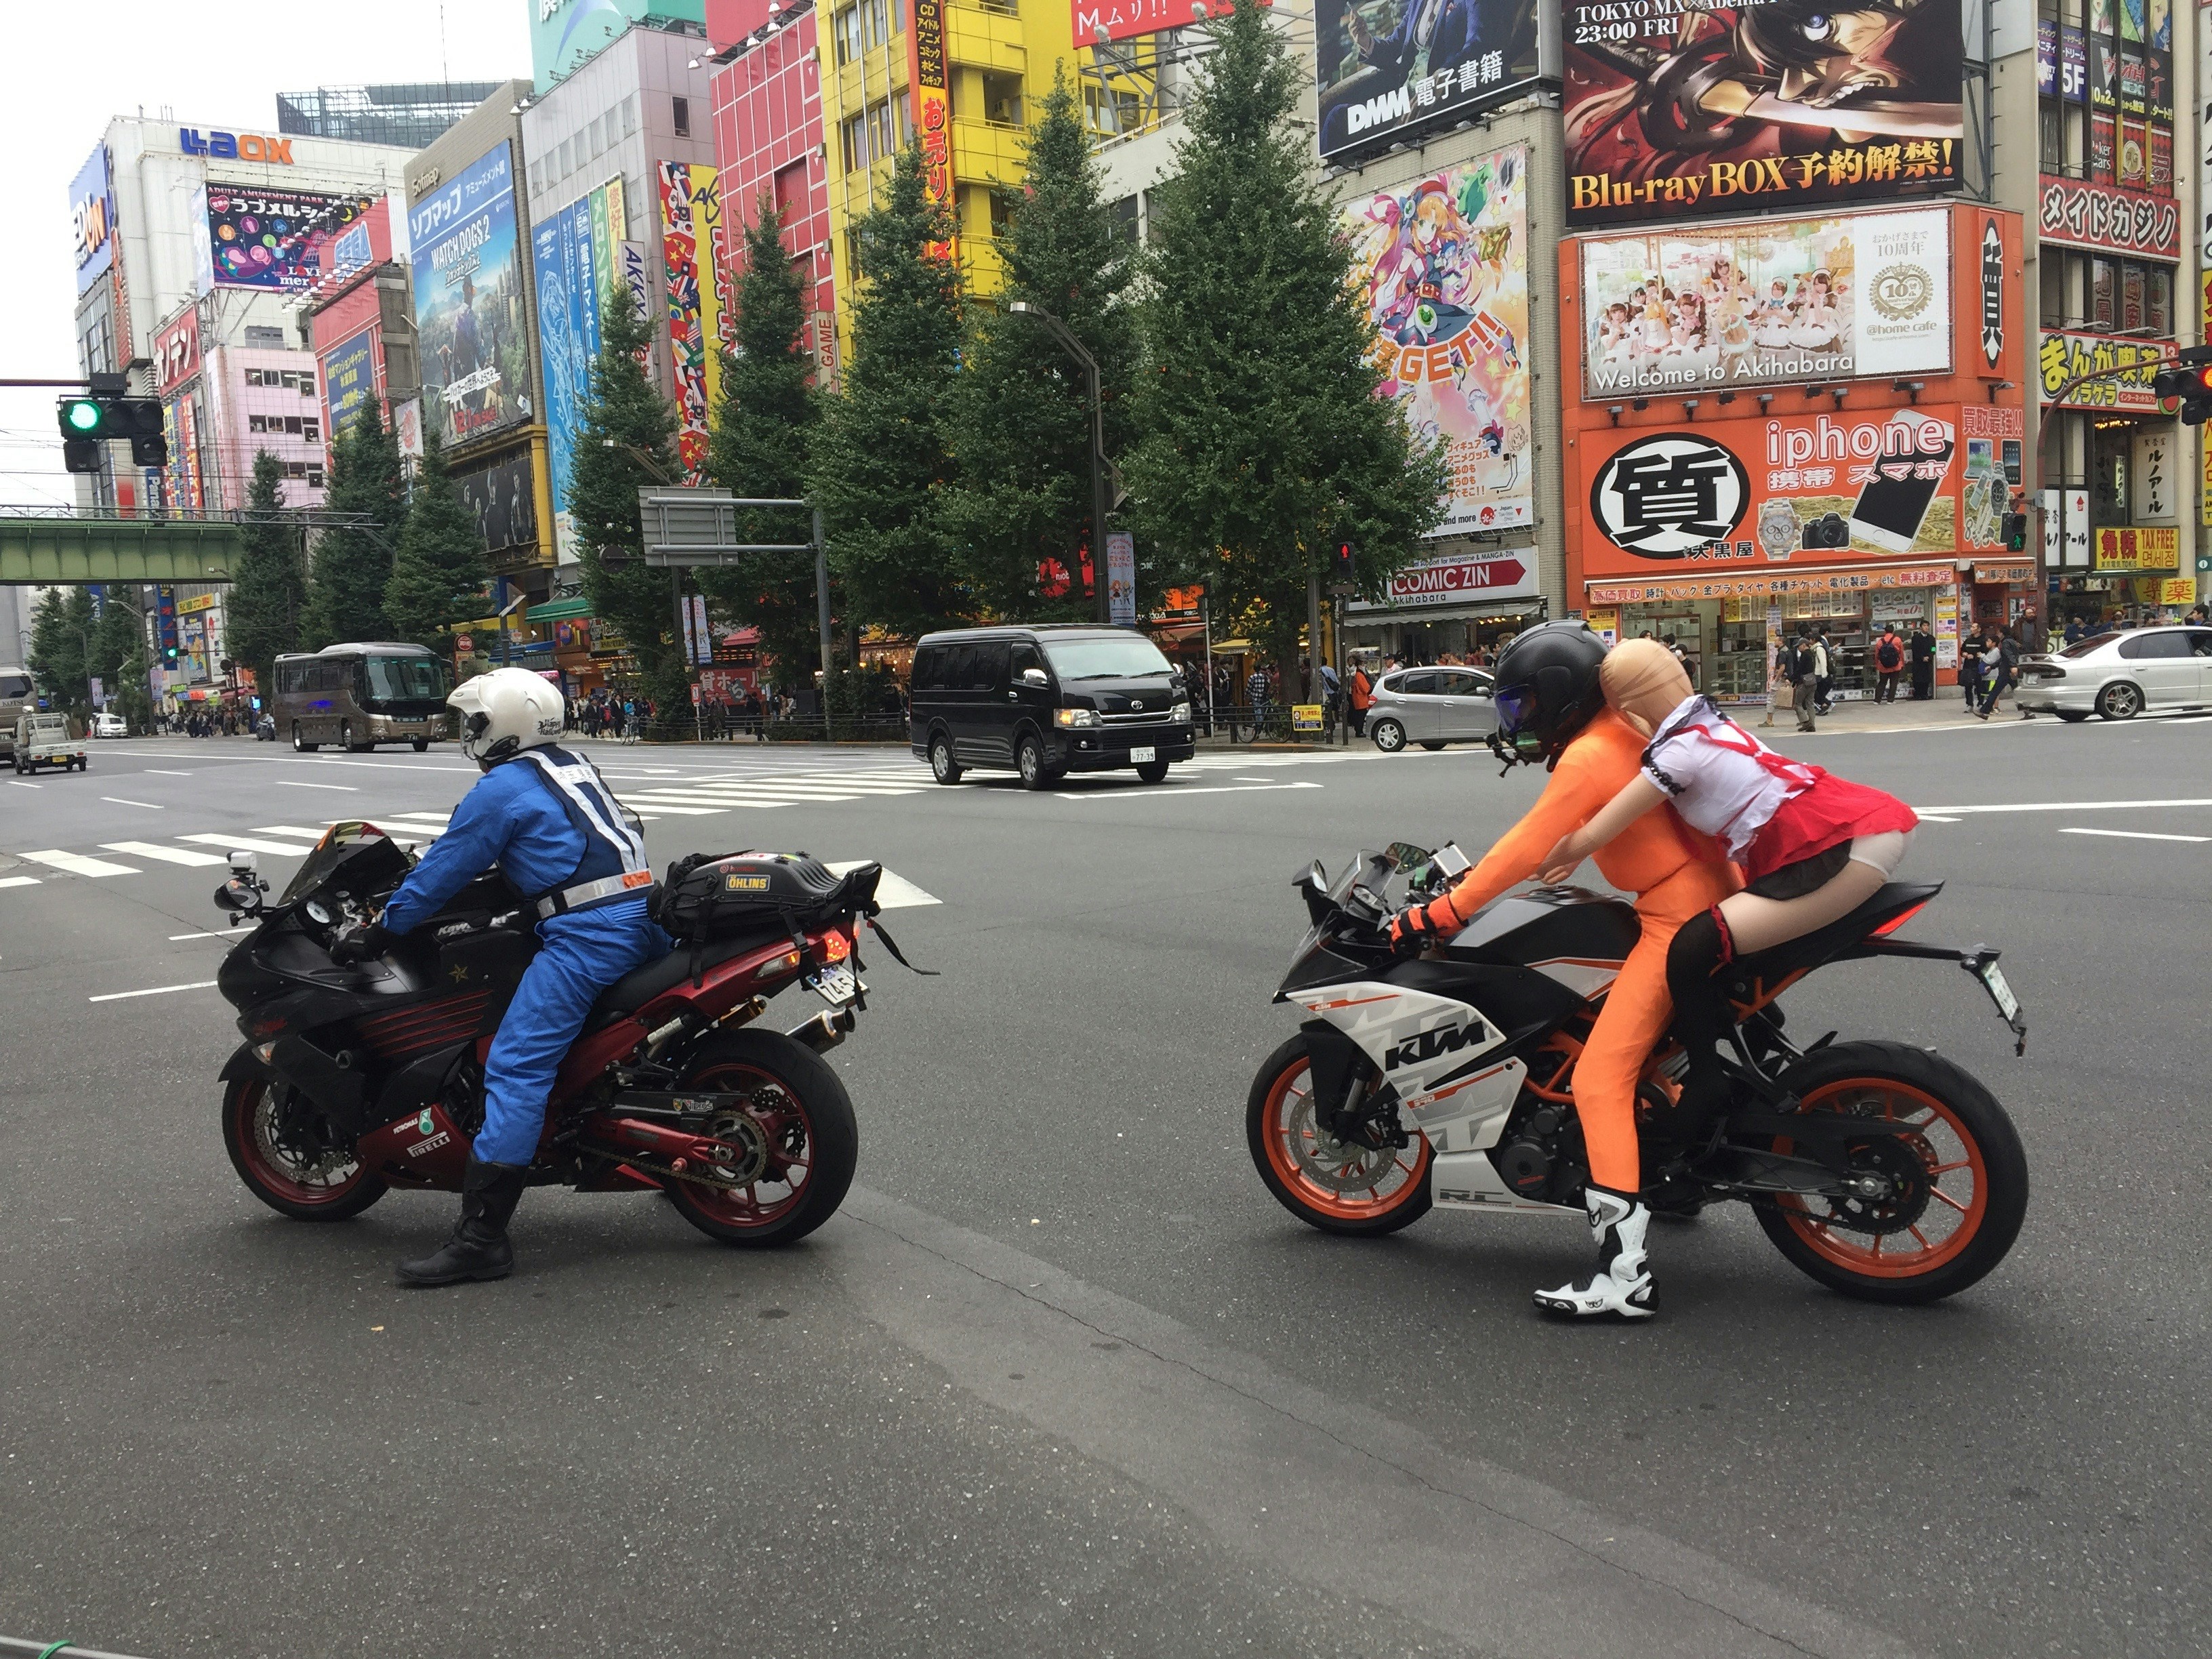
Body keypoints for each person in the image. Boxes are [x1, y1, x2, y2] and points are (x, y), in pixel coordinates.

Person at [1385, 623, 1740, 1321]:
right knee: (1624, 1037)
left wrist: (1444, 912)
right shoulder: (1627, 731)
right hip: (1710, 895)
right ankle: (1671, 1173)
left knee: (1598, 1077)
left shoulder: (1590, 753)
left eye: (1522, 704)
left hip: (1678, 918)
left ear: (1557, 696)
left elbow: (1525, 845)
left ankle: (1624, 1278)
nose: (1517, 720)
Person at [332, 668, 672, 1287]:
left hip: (590, 936)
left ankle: (482, 1240)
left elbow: (445, 867)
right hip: (642, 916)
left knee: (515, 1065)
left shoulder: (503, 787)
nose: (469, 732)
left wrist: (383, 928)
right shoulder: (573, 765)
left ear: (502, 727)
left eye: (475, 722)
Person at [1540, 640, 1917, 1149]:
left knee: (1691, 947)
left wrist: (1550, 855)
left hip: (1834, 848)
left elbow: (1604, 825)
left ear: (1627, 706)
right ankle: (1757, 1057)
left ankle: (1706, 1085)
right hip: (1850, 832)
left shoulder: (1680, 752)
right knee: (1735, 959)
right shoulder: (1708, 722)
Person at [1978, 626, 2021, 720]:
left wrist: (2013, 666)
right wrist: (1993, 666)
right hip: (2009, 671)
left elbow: (2009, 656)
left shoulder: (2005, 643)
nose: (1998, 635)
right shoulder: (2012, 641)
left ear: (2002, 633)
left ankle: (1985, 711)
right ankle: (2028, 711)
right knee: (2018, 692)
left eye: (1999, 633)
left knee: (1995, 691)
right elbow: (2004, 658)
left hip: (2006, 671)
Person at [1790, 626, 1820, 733]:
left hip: (1804, 682)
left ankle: (1805, 722)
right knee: (1810, 704)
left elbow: (1800, 669)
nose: (1798, 649)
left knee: (1797, 704)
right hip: (1813, 681)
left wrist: (1791, 679)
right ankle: (1812, 725)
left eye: (1799, 646)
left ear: (1804, 645)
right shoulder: (1813, 654)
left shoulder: (1805, 655)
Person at [1872, 625, 1904, 703]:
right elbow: (1901, 653)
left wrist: (1877, 664)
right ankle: (1890, 700)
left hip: (1883, 666)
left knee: (1882, 683)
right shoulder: (1897, 640)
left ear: (1885, 632)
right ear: (1893, 631)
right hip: (1895, 666)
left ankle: (1877, 700)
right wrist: (1902, 663)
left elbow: (1877, 655)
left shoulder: (1880, 641)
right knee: (1894, 683)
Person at [1908, 622, 1936, 699]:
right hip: (1918, 662)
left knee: (1927, 678)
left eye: (1927, 626)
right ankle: (1918, 694)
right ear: (1920, 628)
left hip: (1928, 662)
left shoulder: (1931, 638)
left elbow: (1934, 649)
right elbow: (1914, 650)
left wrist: (1929, 656)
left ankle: (1925, 694)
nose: (1926, 627)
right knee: (1918, 679)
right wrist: (1922, 658)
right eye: (1924, 626)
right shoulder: (1916, 638)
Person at [1347, 661, 1374, 737]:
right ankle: (1359, 731)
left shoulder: (1356, 675)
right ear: (1359, 666)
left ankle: (1358, 730)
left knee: (1359, 715)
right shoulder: (1360, 675)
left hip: (1358, 697)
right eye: (1363, 665)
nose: (1364, 666)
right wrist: (1369, 688)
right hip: (1361, 698)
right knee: (1361, 716)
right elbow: (1365, 687)